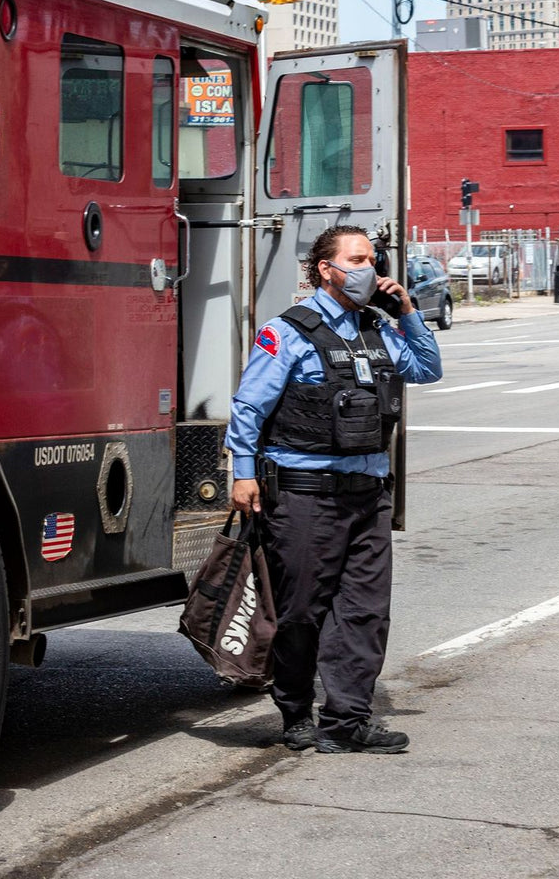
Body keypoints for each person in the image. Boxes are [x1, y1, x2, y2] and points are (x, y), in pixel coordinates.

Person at [226, 225, 442, 754]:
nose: (369, 267)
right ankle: (296, 711)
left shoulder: (380, 328)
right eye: (357, 259)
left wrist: (408, 311)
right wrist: (243, 472)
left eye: (373, 258)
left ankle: (346, 722)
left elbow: (427, 369)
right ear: (327, 269)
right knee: (302, 611)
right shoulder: (289, 332)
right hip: (305, 494)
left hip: (368, 496)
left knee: (365, 612)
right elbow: (250, 406)